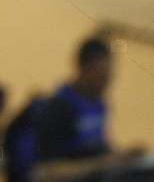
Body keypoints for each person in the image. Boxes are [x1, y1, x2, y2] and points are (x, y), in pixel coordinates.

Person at [31, 37, 147, 181]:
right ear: (84, 69)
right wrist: (103, 163)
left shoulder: (99, 105)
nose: (107, 82)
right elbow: (44, 172)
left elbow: (101, 149)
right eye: (102, 75)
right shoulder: (59, 108)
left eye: (110, 76)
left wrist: (125, 157)